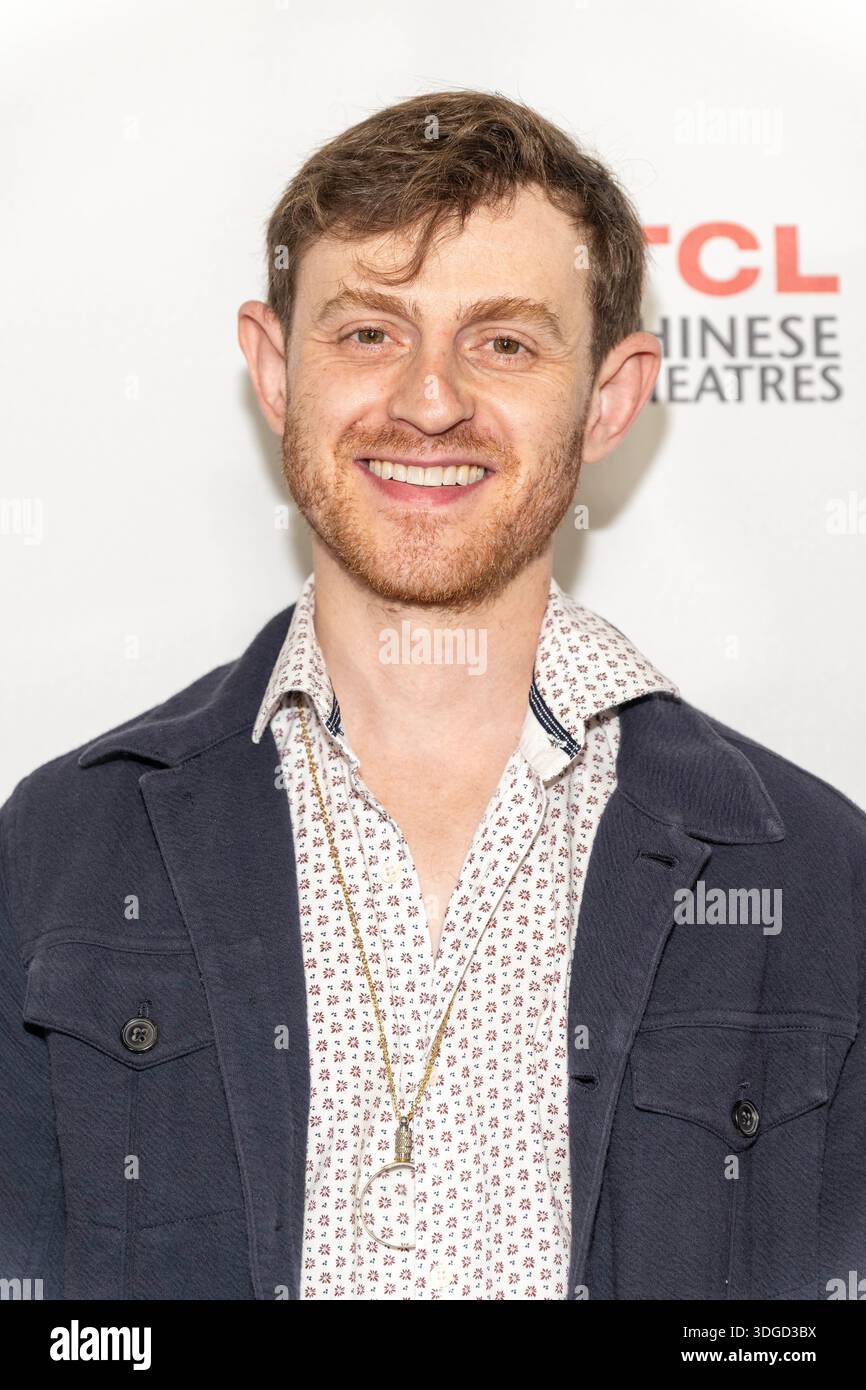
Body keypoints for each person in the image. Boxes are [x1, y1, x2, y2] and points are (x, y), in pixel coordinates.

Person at [1, 90, 864, 1302]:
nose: (426, 399)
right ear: (273, 367)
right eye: (366, 333)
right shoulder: (62, 848)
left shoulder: (815, 875)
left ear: (608, 399)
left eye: (503, 341)